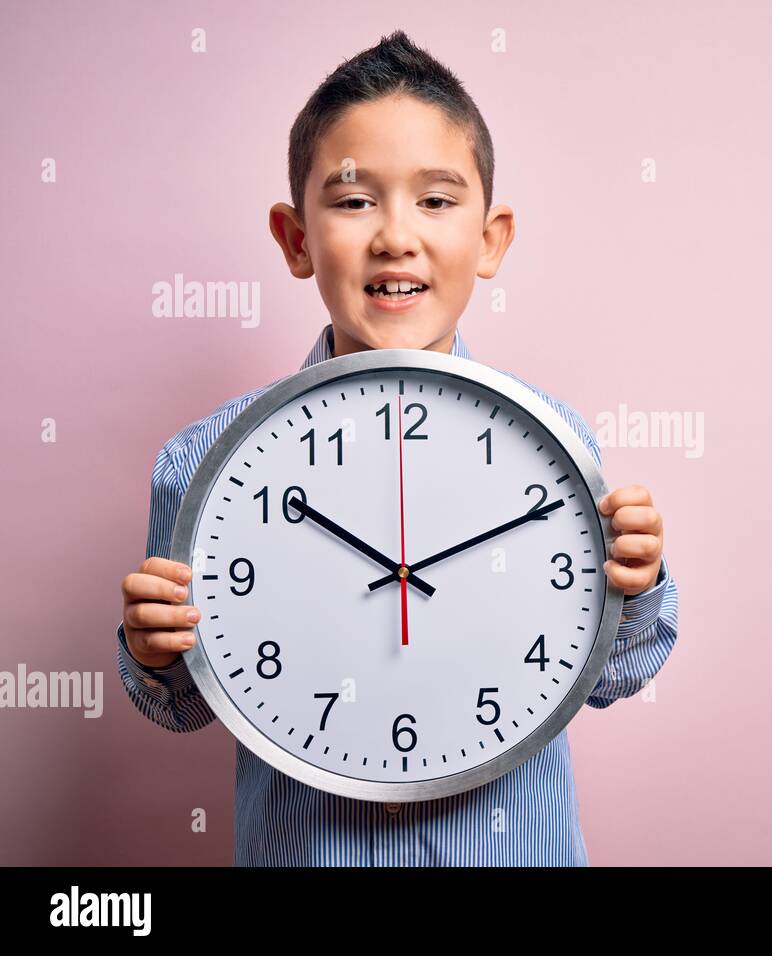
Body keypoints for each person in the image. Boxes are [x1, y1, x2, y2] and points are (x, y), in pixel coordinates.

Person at [116, 30, 679, 866]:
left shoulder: (557, 447)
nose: (395, 236)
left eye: (437, 201)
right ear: (296, 238)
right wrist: (149, 651)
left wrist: (636, 585)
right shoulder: (205, 461)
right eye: (352, 201)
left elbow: (610, 678)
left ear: (491, 238)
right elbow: (185, 706)